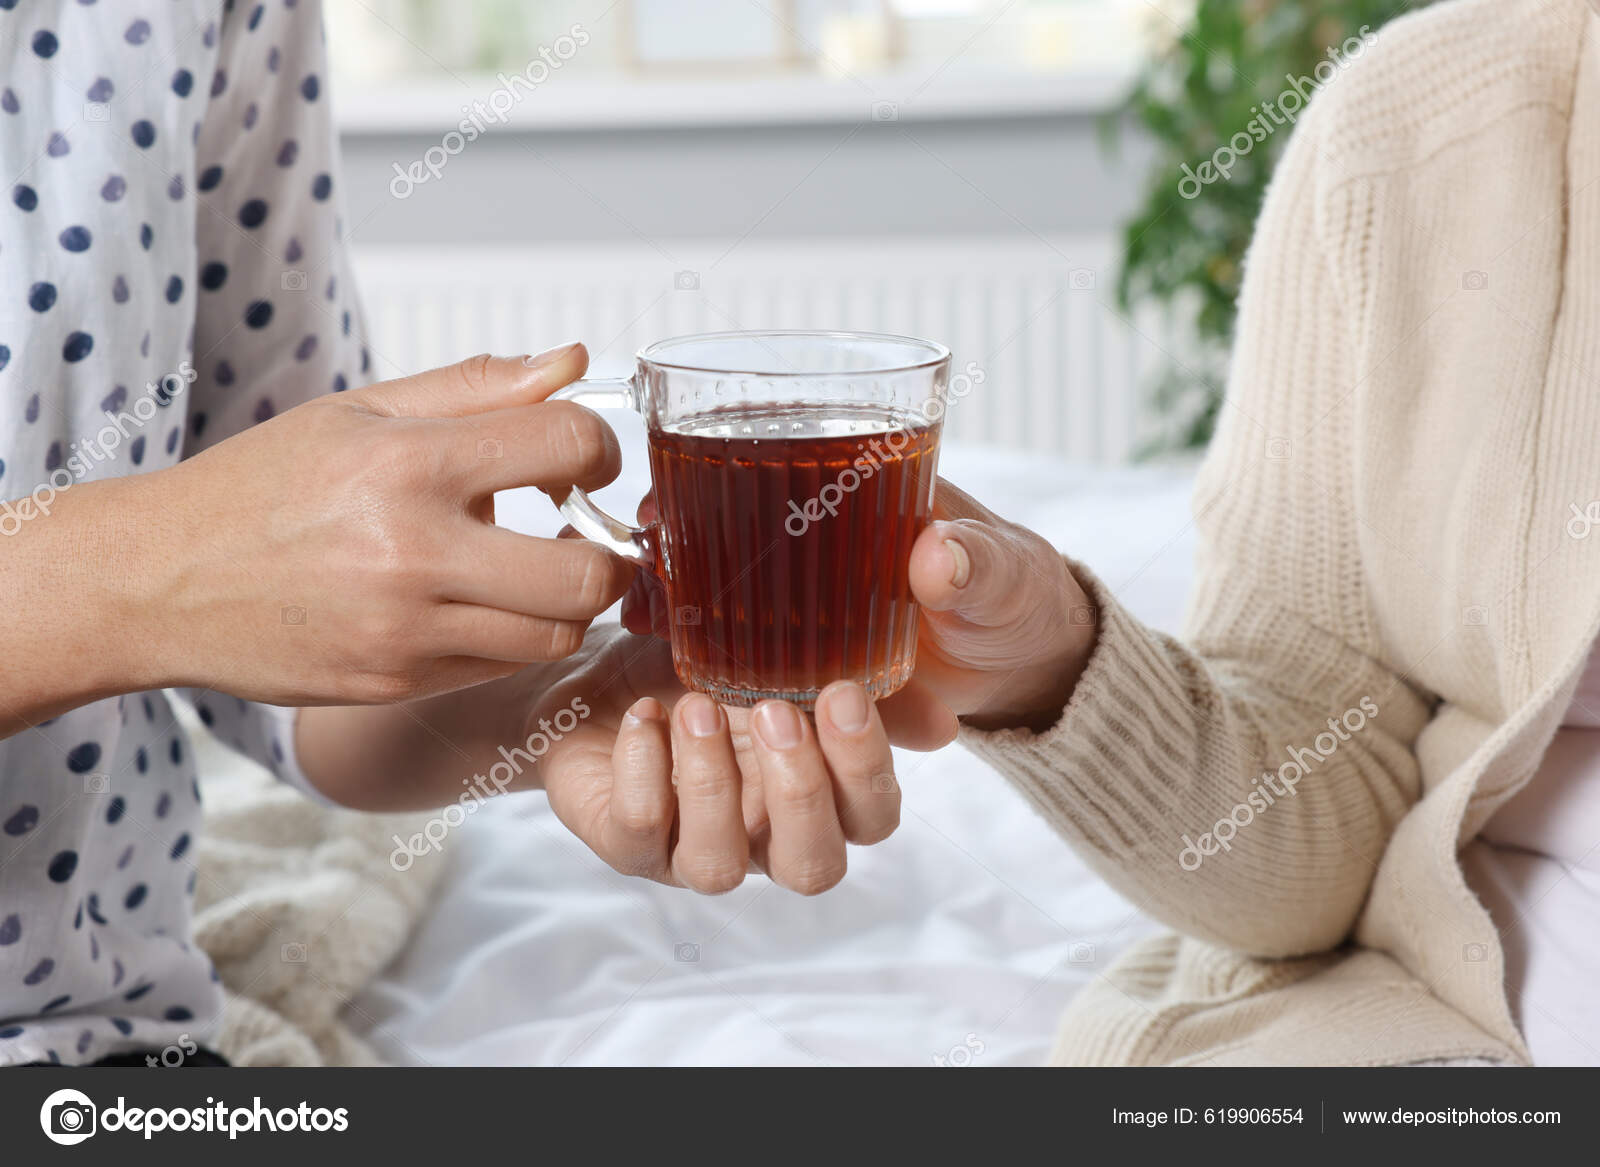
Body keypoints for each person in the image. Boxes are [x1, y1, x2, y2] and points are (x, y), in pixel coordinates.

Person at [0, 0, 906, 1068]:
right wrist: (133, 579)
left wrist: (540, 712)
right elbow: (192, 567)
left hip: (94, 1049)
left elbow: (271, 665)